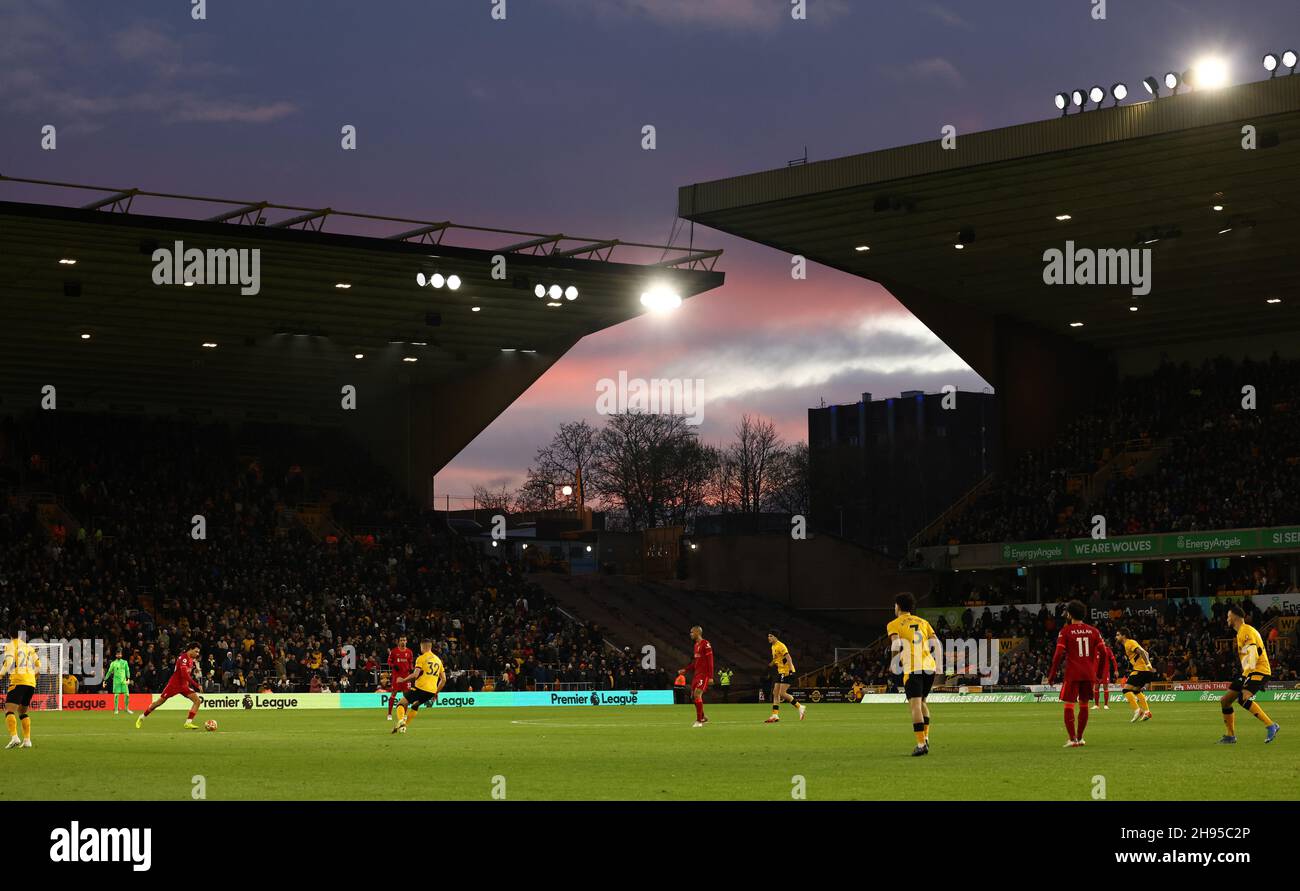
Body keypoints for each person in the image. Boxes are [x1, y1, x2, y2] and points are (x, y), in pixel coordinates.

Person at [1218, 604, 1281, 744]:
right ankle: (1230, 736)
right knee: (1225, 701)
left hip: (1259, 670)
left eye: (1228, 616)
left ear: (1234, 616)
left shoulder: (1246, 631)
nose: (1227, 619)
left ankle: (1271, 725)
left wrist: (1247, 676)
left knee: (1243, 697)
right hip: (1249, 671)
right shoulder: (1241, 632)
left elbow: (1253, 654)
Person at [886, 592, 937, 756]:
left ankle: (921, 744)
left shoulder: (894, 624)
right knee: (922, 702)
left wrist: (894, 662)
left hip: (913, 668)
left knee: (915, 705)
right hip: (929, 666)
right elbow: (935, 643)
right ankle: (926, 737)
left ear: (898, 606)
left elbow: (895, 644)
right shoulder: (923, 622)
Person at [1047, 600, 1104, 748]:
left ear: (1070, 614)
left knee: (1069, 705)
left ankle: (1072, 739)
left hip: (1073, 673)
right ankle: (1080, 737)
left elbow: (1058, 654)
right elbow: (1103, 652)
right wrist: (1098, 673)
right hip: (1088, 674)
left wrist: (1052, 675)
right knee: (1084, 705)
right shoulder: (1094, 631)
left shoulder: (1065, 631)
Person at [136, 644, 203, 730]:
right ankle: (142, 717)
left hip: (184, 686)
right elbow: (184, 674)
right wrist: (196, 685)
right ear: (190, 649)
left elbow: (187, 674)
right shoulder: (183, 658)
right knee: (158, 703)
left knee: (197, 701)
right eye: (196, 651)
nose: (197, 654)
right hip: (174, 685)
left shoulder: (191, 660)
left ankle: (188, 723)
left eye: (198, 652)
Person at [391, 639, 445, 735]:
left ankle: (401, 721)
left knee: (400, 704)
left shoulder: (421, 658)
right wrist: (436, 692)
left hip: (420, 688)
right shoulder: (438, 660)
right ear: (430, 647)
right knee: (415, 705)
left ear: (423, 647)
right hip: (431, 691)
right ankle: (404, 728)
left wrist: (403, 680)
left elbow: (415, 675)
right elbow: (444, 679)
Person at [2, 631, 40, 749]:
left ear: (10, 634)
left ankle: (14, 738)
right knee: (22, 711)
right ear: (20, 635)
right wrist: (32, 677)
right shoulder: (29, 647)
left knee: (9, 710)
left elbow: (8, 663)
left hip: (18, 680)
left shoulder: (10, 646)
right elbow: (39, 666)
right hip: (31, 682)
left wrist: (1, 674)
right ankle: (27, 740)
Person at [1114, 629, 1155, 723]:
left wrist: (1148, 663)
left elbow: (1142, 652)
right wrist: (1148, 666)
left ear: (1123, 636)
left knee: (1126, 690)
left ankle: (1137, 710)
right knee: (1136, 691)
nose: (1116, 637)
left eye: (1118, 635)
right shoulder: (1130, 643)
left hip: (1140, 670)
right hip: (1145, 670)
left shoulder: (1129, 643)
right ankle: (1147, 712)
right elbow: (1146, 653)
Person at [764, 631, 805, 723]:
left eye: (771, 636)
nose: (769, 637)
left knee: (782, 693)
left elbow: (789, 658)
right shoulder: (773, 646)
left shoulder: (781, 646)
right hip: (780, 672)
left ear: (775, 637)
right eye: (768, 636)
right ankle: (775, 715)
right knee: (775, 693)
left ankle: (800, 707)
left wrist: (791, 671)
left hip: (786, 672)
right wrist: (769, 665)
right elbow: (776, 659)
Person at [681, 626, 713, 728]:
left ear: (697, 632)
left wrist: (711, 676)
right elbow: (695, 662)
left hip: (704, 674)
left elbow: (710, 661)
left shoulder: (706, 644)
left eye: (691, 632)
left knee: (697, 694)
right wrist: (686, 669)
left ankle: (699, 721)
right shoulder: (696, 645)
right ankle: (703, 716)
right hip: (696, 674)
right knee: (693, 697)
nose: (690, 634)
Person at [386, 635, 414, 721]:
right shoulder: (394, 651)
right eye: (401, 640)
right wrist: (394, 666)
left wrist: (411, 669)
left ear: (406, 641)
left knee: (406, 696)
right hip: (397, 677)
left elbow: (411, 662)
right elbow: (389, 661)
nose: (403, 642)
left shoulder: (409, 652)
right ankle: (389, 714)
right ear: (399, 641)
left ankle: (405, 714)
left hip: (406, 677)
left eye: (404, 640)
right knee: (393, 693)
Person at [1092, 639, 1117, 711]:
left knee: (1105, 688)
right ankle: (1096, 705)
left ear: (1104, 643)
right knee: (1096, 688)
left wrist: (1116, 670)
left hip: (1105, 672)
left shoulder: (1108, 650)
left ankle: (1106, 705)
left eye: (1102, 641)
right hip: (1096, 673)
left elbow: (1113, 661)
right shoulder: (1094, 650)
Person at [106, 649, 133, 714]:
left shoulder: (125, 662)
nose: (119, 655)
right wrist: (105, 679)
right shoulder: (113, 663)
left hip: (124, 681)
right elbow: (109, 672)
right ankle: (116, 709)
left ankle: (126, 709)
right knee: (116, 695)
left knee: (127, 695)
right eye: (118, 654)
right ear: (116, 655)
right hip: (116, 682)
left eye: (120, 654)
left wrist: (128, 678)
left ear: (121, 655)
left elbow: (127, 670)